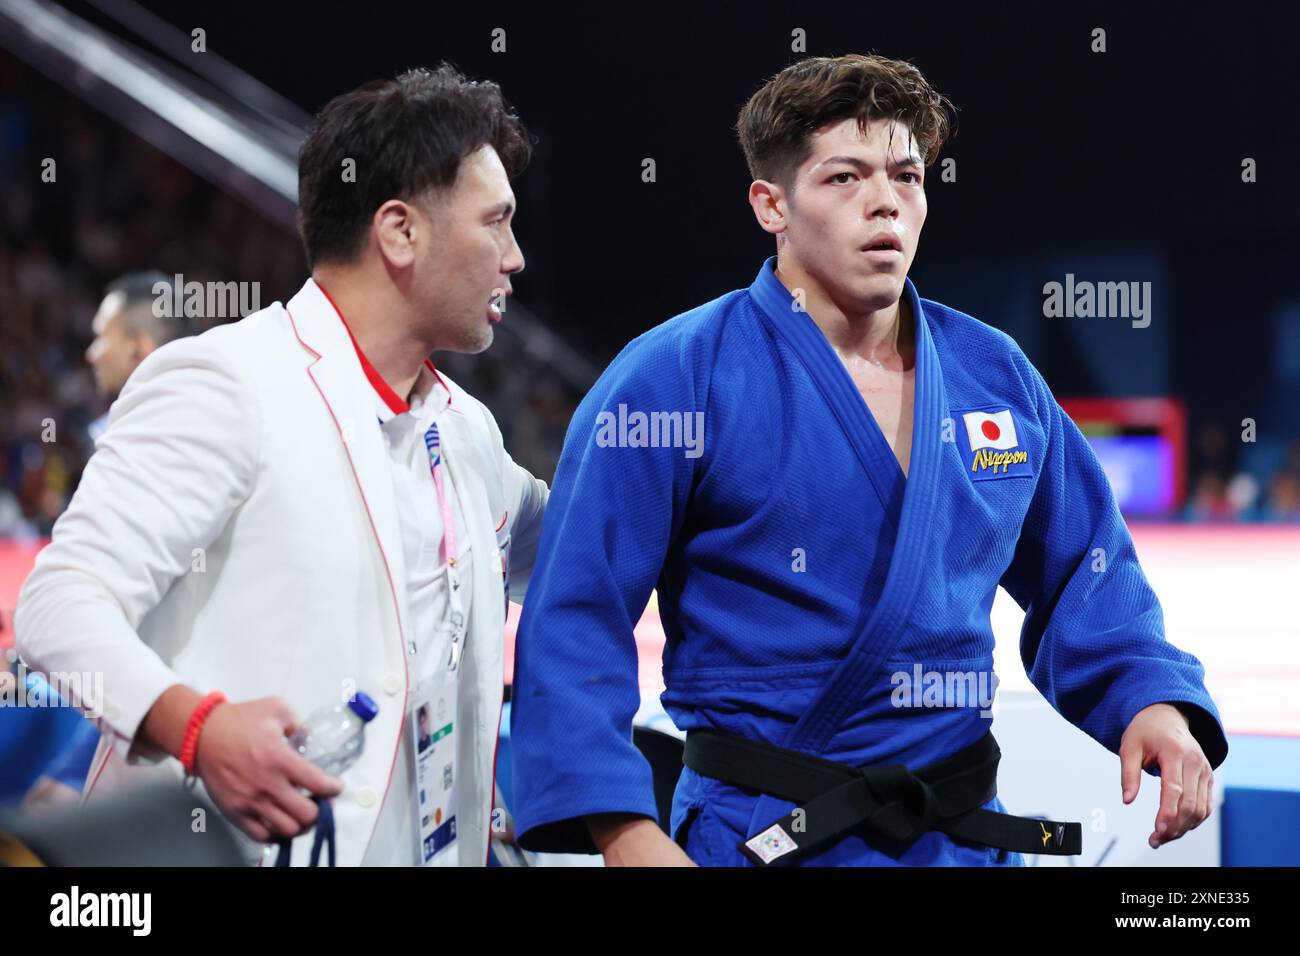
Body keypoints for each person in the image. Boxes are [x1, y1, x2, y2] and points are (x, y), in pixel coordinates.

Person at [509, 54, 1227, 867]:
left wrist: (1151, 700)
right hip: (761, 835)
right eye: (844, 177)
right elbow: (576, 609)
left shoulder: (994, 376)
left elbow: (1086, 572)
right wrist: (622, 828)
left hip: (957, 836)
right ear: (770, 204)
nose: (885, 200)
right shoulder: (675, 376)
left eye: (907, 175)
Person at [14, 64, 548, 866]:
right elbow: (57, 606)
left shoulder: (466, 428)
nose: (515, 258)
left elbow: (588, 532)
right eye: (495, 223)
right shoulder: (228, 382)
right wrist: (194, 726)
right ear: (400, 232)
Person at [85, 270, 190, 443]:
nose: (91, 355)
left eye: (101, 338)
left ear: (139, 348)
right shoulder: (218, 413)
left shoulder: (118, 443)